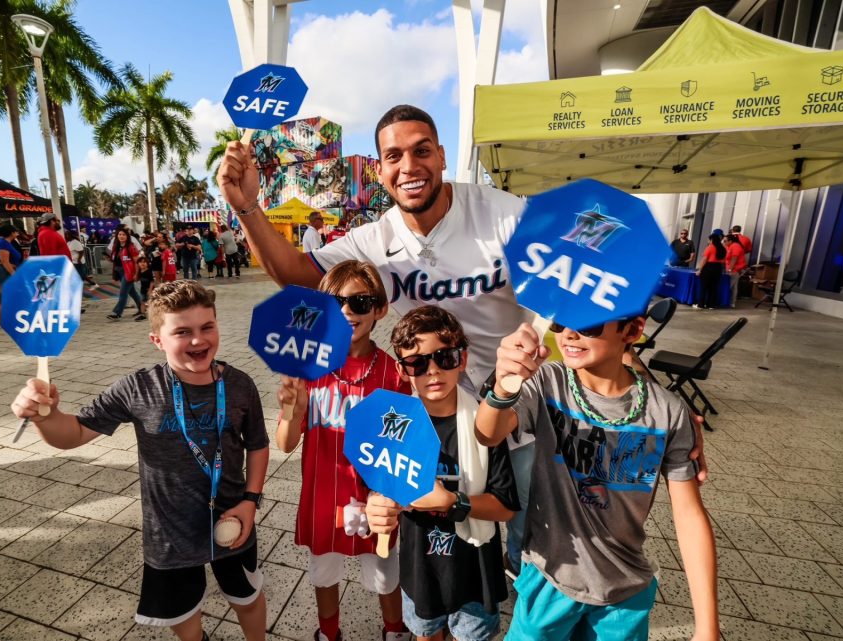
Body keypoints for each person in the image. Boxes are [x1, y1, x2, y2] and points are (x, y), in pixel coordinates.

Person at [219, 103, 709, 580]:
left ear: (442, 157)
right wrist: (246, 206)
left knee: (528, 533)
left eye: (422, 151)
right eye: (394, 156)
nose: (409, 166)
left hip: (515, 403)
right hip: (434, 408)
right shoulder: (377, 238)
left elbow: (592, 287)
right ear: (380, 169)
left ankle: (520, 600)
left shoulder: (502, 216)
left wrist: (647, 392)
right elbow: (298, 276)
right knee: (438, 532)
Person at [10, 280, 269, 641]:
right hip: (170, 533)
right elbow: (73, 433)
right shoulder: (137, 388)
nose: (198, 340)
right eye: (182, 332)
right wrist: (45, 417)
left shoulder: (240, 385)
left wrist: (250, 502)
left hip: (232, 518)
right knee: (184, 614)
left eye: (207, 327)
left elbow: (257, 445)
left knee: (247, 599)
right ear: (157, 340)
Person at [473, 318, 719, 641]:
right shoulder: (548, 382)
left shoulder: (668, 412)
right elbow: (488, 432)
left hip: (623, 593)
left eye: (589, 325)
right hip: (550, 579)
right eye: (561, 323)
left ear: (631, 331)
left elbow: (688, 514)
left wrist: (707, 627)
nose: (570, 334)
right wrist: (503, 386)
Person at [366, 306, 519, 641]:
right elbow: (382, 491)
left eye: (444, 357)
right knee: (426, 635)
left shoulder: (485, 423)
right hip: (420, 569)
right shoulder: (394, 428)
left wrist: (452, 501)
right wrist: (376, 508)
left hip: (474, 572)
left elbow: (505, 505)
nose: (432, 371)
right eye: (417, 363)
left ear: (462, 359)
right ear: (402, 369)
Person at [276, 260, 410, 641]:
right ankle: (329, 633)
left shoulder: (394, 374)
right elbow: (285, 443)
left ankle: (394, 631)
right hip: (323, 495)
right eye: (336, 303)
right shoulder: (305, 368)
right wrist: (294, 410)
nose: (348, 311)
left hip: (376, 497)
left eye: (361, 302)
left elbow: (405, 447)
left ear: (380, 309)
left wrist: (391, 497)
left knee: (385, 576)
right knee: (324, 573)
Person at [108, 229, 145, 321]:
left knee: (123, 293)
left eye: (123, 234)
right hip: (119, 271)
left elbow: (137, 261)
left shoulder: (130, 247)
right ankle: (142, 309)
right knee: (132, 292)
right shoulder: (116, 246)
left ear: (127, 236)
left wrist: (136, 274)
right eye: (119, 234)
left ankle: (117, 313)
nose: (121, 236)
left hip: (129, 272)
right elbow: (115, 260)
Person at [695, 233, 727, 310]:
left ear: (711, 240)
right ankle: (711, 305)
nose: (708, 241)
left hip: (708, 267)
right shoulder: (723, 248)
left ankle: (701, 304)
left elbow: (704, 260)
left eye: (708, 240)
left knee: (704, 287)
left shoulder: (710, 247)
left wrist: (699, 269)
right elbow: (723, 261)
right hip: (718, 268)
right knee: (713, 288)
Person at [0, 223, 22, 289]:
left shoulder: (3, 242)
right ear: (12, 233)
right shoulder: (3, 243)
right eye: (16, 231)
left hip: (2, 271)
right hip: (2, 272)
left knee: (8, 294)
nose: (17, 233)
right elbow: (4, 262)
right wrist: (14, 275)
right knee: (9, 294)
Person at [723, 234, 746, 307]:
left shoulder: (735, 246)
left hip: (734, 270)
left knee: (729, 286)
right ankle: (732, 302)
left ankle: (727, 301)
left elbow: (734, 258)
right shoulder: (730, 246)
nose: (724, 242)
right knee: (734, 287)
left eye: (725, 241)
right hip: (733, 269)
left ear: (730, 241)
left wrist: (730, 269)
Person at [137, 254, 155, 319]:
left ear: (147, 263)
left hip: (149, 289)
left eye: (144, 262)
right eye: (140, 262)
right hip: (143, 289)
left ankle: (153, 314)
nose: (142, 264)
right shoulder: (139, 271)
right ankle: (142, 314)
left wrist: (150, 290)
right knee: (142, 302)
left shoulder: (149, 272)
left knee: (150, 302)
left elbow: (152, 281)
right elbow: (137, 279)